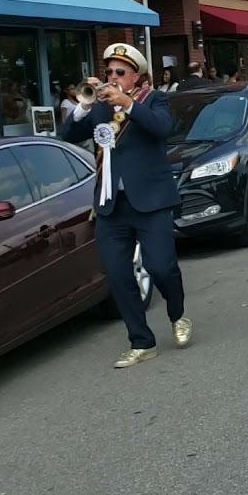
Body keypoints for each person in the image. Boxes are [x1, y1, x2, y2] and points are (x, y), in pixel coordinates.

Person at [60, 43, 191, 368]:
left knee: (161, 267)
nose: (113, 77)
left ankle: (178, 314)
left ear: (136, 76)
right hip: (111, 204)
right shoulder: (100, 108)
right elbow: (68, 135)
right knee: (118, 276)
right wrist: (83, 105)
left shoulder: (155, 99)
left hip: (151, 201)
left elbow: (162, 128)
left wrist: (128, 104)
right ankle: (141, 342)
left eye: (120, 72)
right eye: (109, 72)